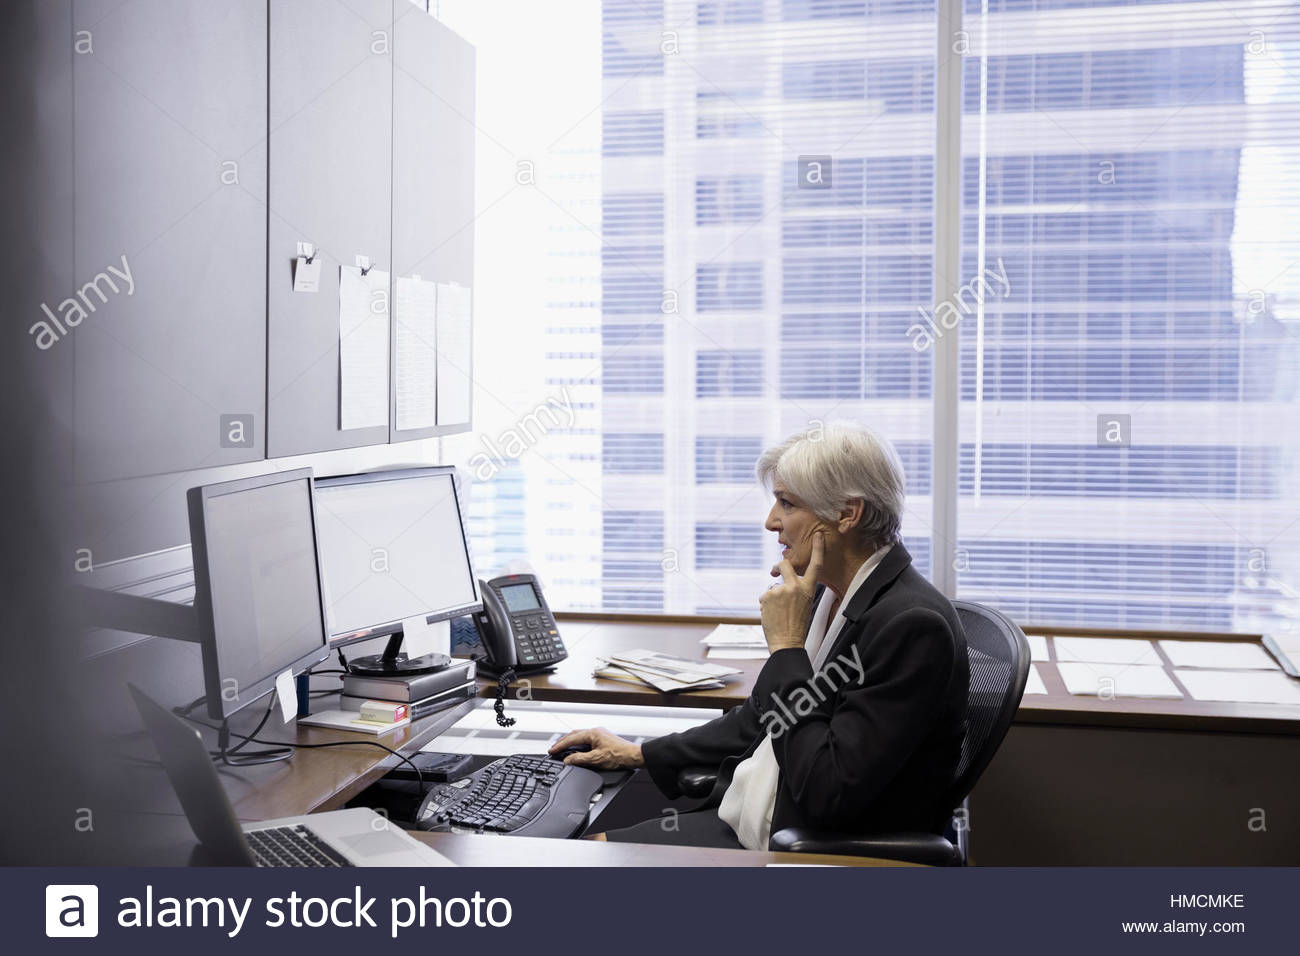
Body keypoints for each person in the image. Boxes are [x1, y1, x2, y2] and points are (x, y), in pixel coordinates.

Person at [549, 422, 969, 850]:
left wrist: (787, 648)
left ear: (848, 513)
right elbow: (760, 718)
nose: (772, 522)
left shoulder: (911, 626)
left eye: (787, 503)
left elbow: (828, 792)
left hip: (809, 843)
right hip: (757, 813)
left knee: (583, 859)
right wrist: (640, 753)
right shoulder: (829, 595)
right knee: (576, 848)